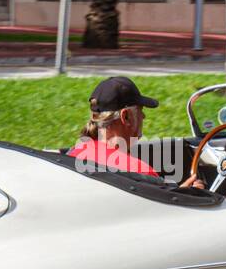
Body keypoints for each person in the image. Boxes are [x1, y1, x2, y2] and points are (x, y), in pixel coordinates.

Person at [68, 76, 203, 187]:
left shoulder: (74, 153)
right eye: (140, 110)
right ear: (125, 117)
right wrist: (194, 193)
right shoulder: (138, 171)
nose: (143, 117)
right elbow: (165, 211)